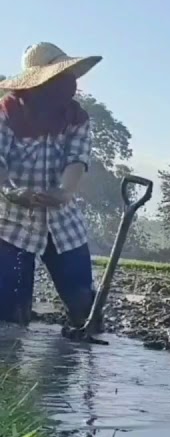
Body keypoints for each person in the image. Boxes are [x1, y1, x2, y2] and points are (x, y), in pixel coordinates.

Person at [0, 42, 102, 328]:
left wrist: (65, 191)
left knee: (86, 310)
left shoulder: (76, 118)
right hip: (11, 224)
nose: (67, 86)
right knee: (10, 318)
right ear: (36, 85)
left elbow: (77, 158)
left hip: (63, 223)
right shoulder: (6, 114)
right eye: (58, 79)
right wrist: (10, 190)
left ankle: (73, 367)